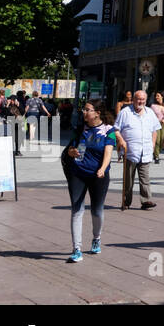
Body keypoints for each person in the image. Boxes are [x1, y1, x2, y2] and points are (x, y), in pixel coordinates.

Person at [63, 99, 116, 262]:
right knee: (76, 210)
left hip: (98, 175)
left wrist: (102, 168)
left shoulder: (109, 130)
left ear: (97, 113)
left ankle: (96, 238)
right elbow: (71, 148)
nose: (84, 113)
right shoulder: (79, 128)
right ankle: (76, 249)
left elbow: (108, 152)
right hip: (78, 173)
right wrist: (72, 153)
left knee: (97, 211)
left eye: (87, 110)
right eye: (83, 110)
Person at [113, 89, 162, 210]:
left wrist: (152, 145)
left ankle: (146, 201)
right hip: (130, 151)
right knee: (128, 180)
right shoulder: (125, 112)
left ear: (146, 100)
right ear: (133, 100)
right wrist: (121, 141)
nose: (140, 101)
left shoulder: (150, 113)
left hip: (145, 151)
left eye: (143, 99)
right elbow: (116, 130)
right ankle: (126, 201)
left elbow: (154, 130)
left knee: (145, 178)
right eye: (138, 99)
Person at [150, 92, 164, 165]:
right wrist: (158, 120)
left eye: (158, 96)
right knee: (157, 140)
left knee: (162, 140)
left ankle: (157, 151)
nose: (156, 97)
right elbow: (150, 116)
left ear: (162, 97)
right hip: (156, 124)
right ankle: (156, 156)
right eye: (156, 96)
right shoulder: (153, 106)